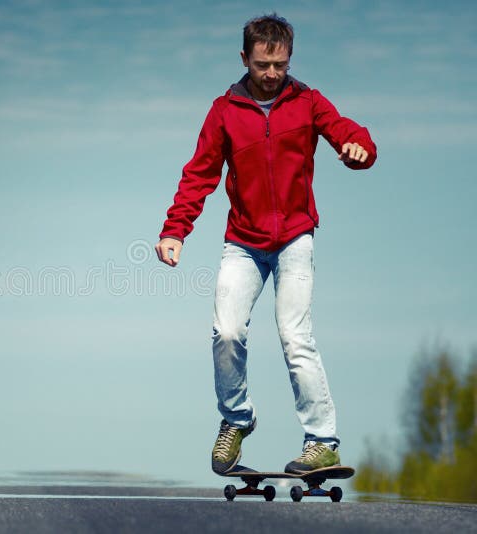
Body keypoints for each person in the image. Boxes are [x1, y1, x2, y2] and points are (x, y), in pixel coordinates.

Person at [154, 13, 376, 475]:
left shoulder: (308, 102)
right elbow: (199, 174)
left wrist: (359, 150)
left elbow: (347, 134)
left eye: (280, 64)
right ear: (244, 59)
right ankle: (237, 420)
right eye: (262, 65)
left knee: (296, 337)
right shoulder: (224, 111)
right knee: (227, 332)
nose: (272, 74)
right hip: (244, 242)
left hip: (295, 237)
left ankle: (322, 441)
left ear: (289, 60)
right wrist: (175, 230)